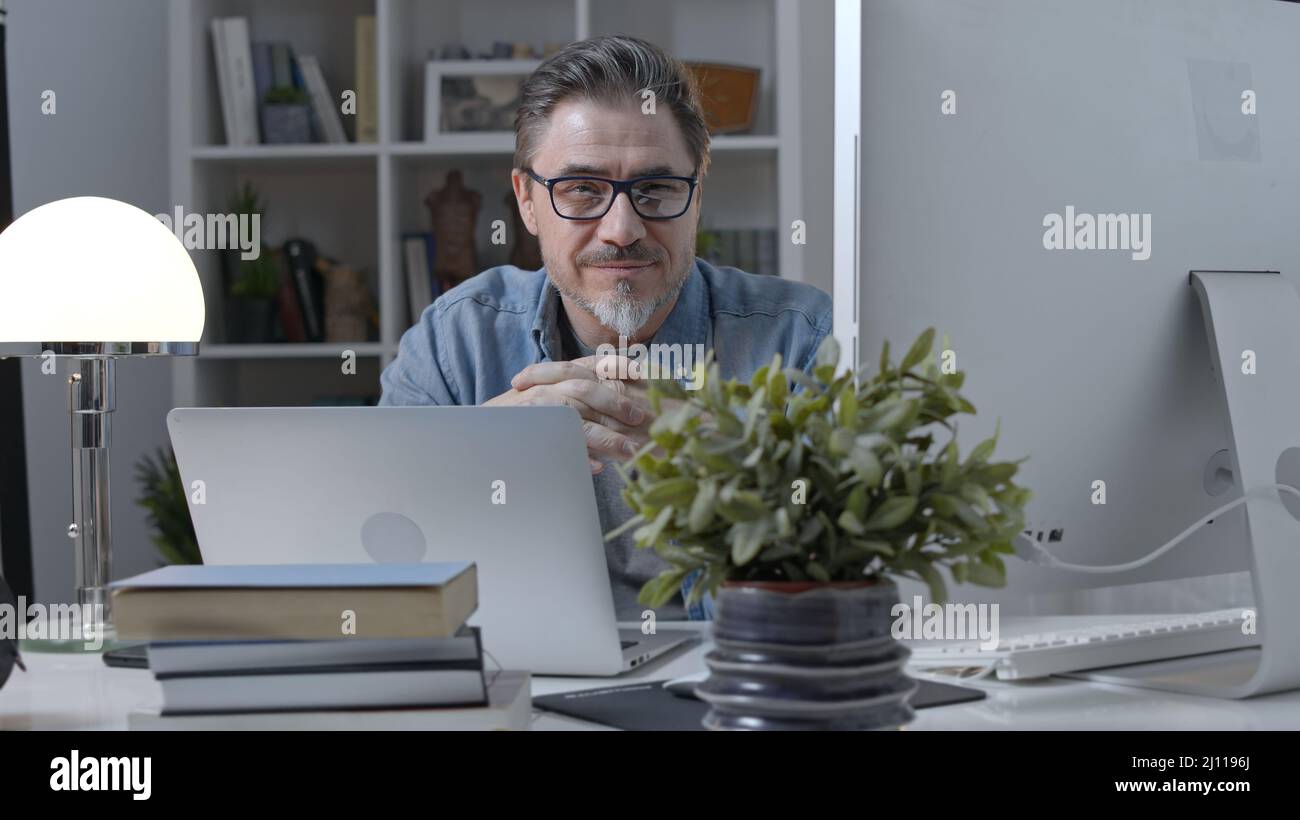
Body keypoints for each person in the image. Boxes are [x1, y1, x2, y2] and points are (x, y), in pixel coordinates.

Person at [380, 34, 831, 619]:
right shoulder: (452, 342)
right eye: (582, 189)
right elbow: (380, 561)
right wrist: (473, 453)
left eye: (656, 188)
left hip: (731, 691)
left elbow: (851, 582)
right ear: (526, 201)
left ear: (696, 196)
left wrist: (727, 468)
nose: (622, 229)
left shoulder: (803, 339)